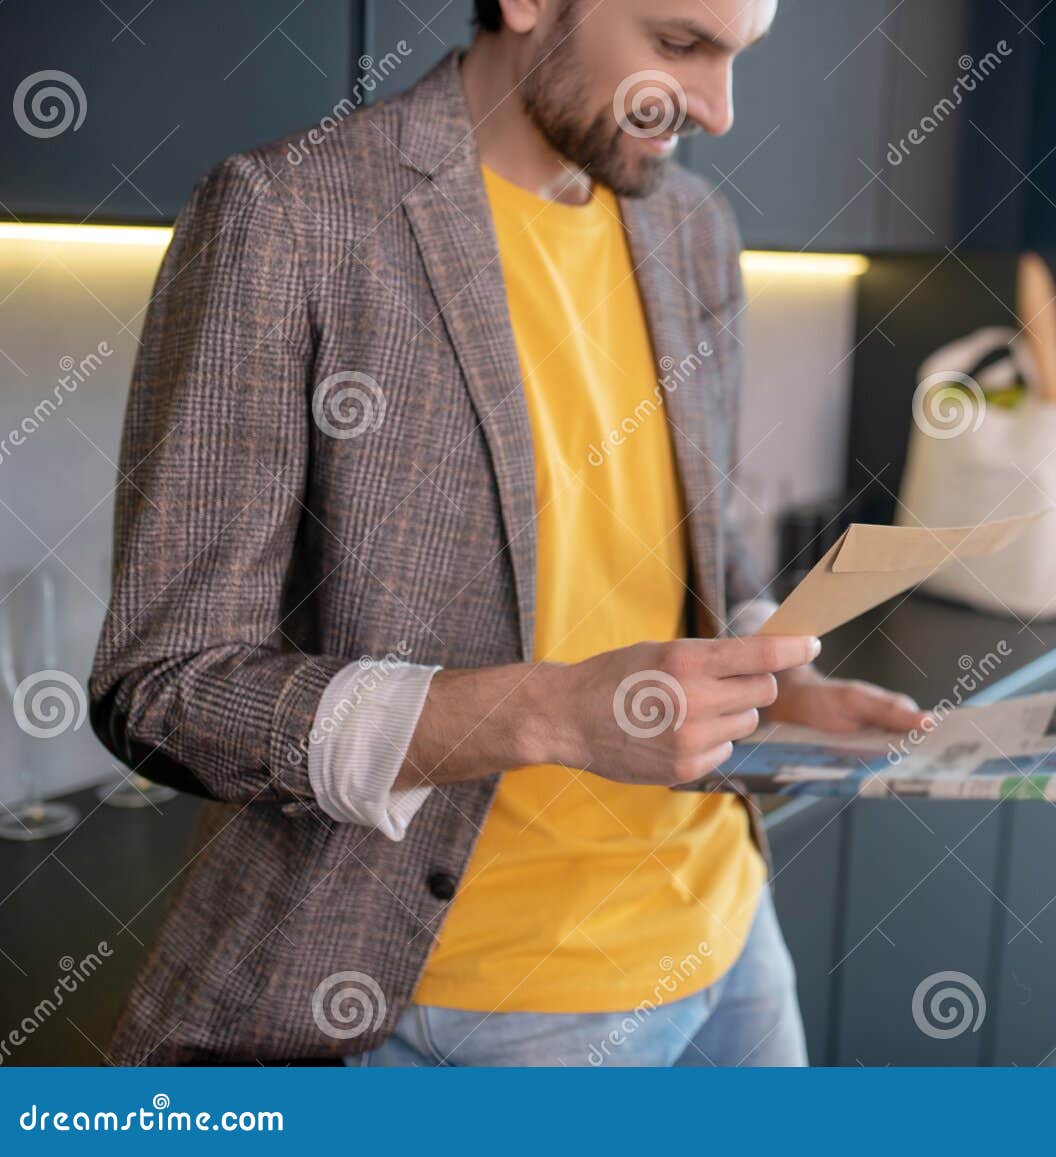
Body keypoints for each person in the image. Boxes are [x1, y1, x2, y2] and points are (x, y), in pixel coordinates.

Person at [89, 0, 928, 1067]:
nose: (719, 109)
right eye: (679, 45)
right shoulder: (291, 214)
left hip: (728, 926)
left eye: (739, 55)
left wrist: (770, 671)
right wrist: (550, 712)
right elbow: (164, 686)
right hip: (487, 997)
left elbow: (701, 543)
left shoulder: (692, 229)